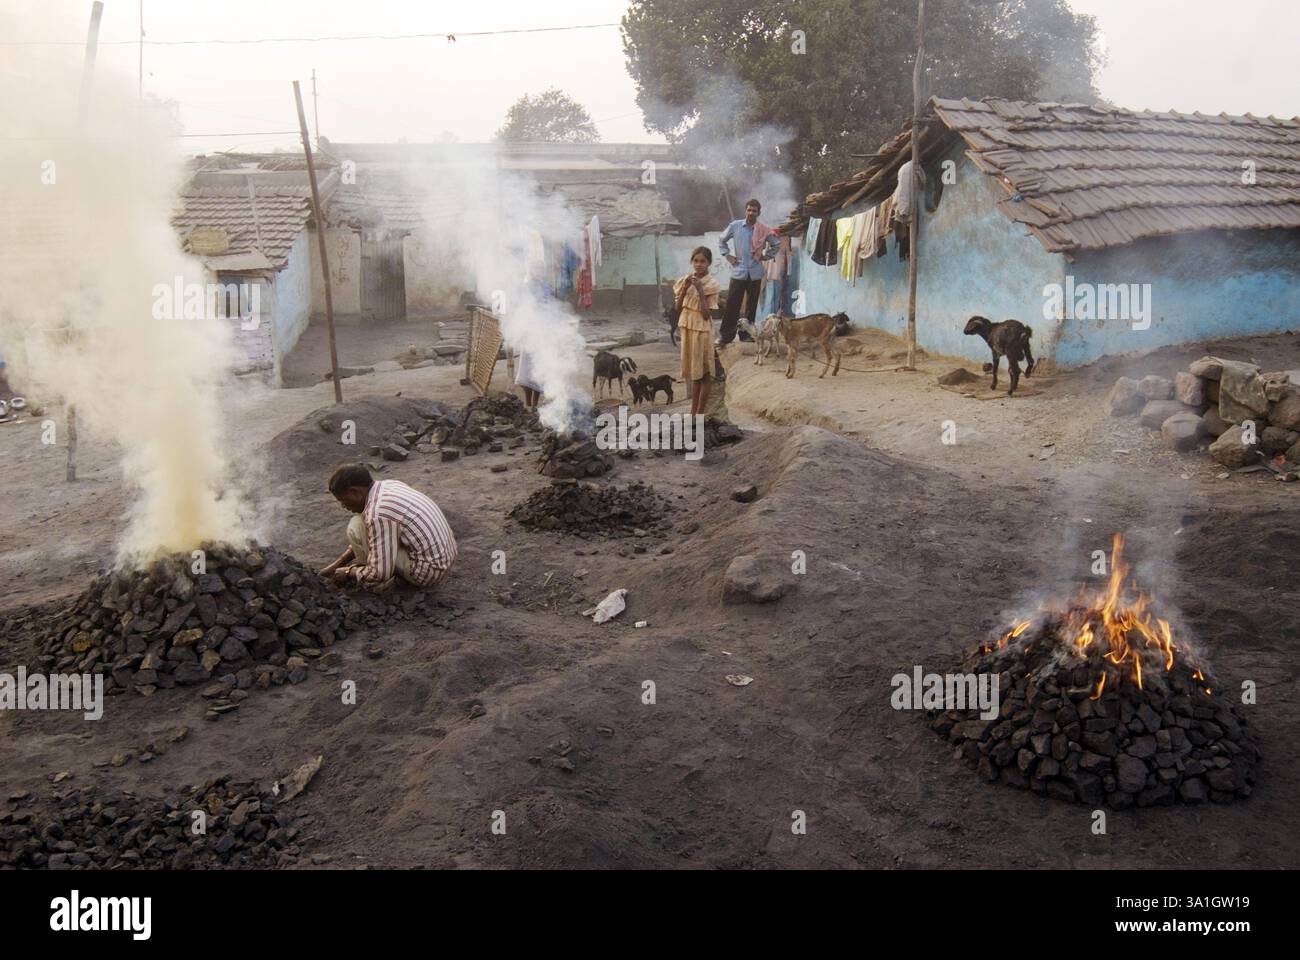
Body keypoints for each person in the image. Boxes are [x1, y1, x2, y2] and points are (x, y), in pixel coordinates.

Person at [321, 464, 457, 592]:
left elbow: (379, 572)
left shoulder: (379, 513)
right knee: (361, 522)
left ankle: (368, 581)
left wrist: (349, 572)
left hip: (428, 572)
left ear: (355, 491)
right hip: (444, 558)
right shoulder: (388, 485)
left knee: (355, 527)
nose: (343, 506)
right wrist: (338, 563)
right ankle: (368, 571)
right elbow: (371, 534)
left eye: (343, 500)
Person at [717, 199, 780, 349]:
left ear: (759, 213)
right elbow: (721, 240)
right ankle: (726, 336)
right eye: (749, 210)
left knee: (751, 306)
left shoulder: (763, 229)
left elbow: (776, 244)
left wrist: (767, 256)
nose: (751, 213)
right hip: (738, 271)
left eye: (754, 211)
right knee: (732, 304)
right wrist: (727, 255)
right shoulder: (735, 226)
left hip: (756, 272)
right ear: (745, 211)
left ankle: (746, 335)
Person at [674, 246, 721, 417]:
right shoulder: (684, 281)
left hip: (702, 329)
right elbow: (677, 308)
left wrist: (700, 290)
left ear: (709, 263)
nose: (699, 264)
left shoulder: (712, 284)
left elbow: (707, 314)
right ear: (692, 262)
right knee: (695, 373)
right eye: (696, 261)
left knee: (705, 373)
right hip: (687, 327)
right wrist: (686, 288)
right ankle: (693, 412)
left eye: (703, 261)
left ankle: (700, 413)